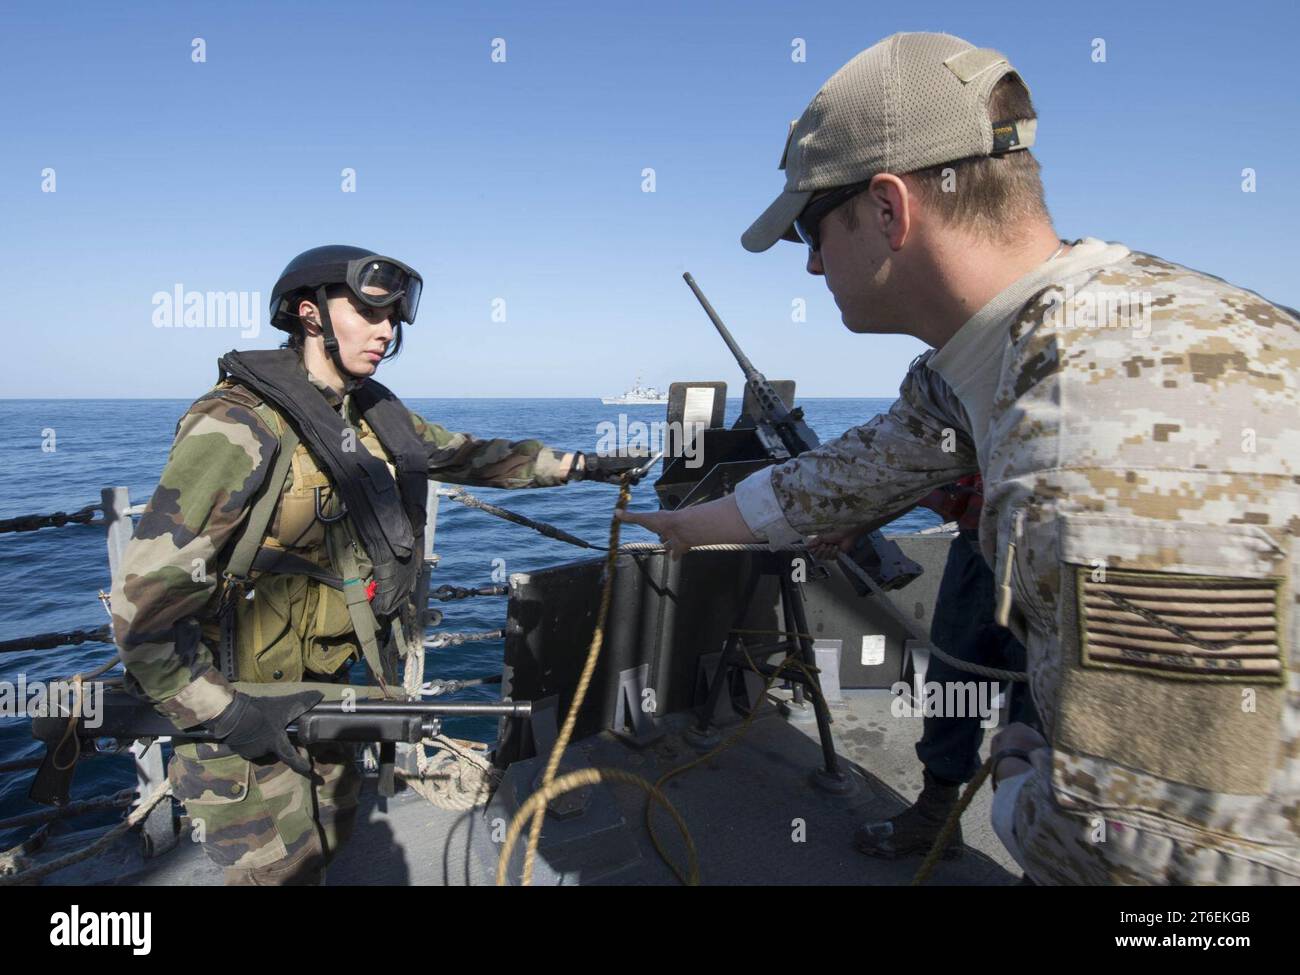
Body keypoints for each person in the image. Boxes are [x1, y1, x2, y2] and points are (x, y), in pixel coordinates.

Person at [618, 33, 1300, 884]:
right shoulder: (992, 354)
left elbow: (1164, 871)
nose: (814, 263)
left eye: (811, 230)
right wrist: (686, 523)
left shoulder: (1104, 430)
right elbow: (848, 474)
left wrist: (1018, 772)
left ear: (889, 208)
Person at [111, 245, 642, 885]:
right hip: (244, 721)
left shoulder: (367, 416)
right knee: (278, 875)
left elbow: (472, 456)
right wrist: (223, 714)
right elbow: (143, 606)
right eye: (366, 311)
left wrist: (581, 466)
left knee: (332, 842)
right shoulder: (236, 426)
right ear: (310, 315)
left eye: (392, 317)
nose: (386, 330)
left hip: (330, 698)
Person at [818, 477, 1038, 860]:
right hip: (977, 551)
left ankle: (1039, 854)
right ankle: (936, 816)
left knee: (1038, 718)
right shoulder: (975, 418)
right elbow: (925, 464)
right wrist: (856, 528)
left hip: (1056, 564)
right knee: (951, 688)